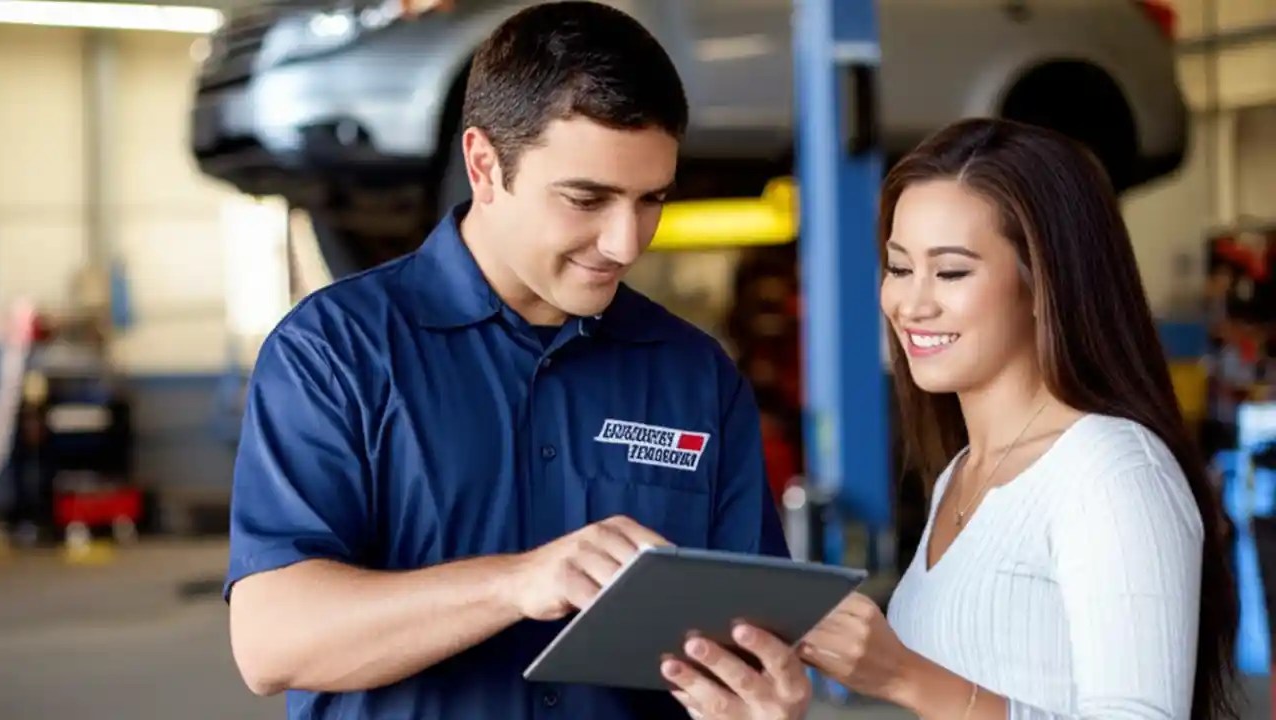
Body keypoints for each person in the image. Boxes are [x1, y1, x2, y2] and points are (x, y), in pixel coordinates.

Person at [223, 3, 805, 719]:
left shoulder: (695, 377)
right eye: (587, 199)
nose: (625, 242)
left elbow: (747, 639)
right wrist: (514, 584)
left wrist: (760, 699)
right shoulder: (336, 354)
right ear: (484, 165)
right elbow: (270, 642)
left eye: (650, 200)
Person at [790, 118, 1237, 719]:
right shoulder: (960, 475)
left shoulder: (1111, 471)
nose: (912, 303)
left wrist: (905, 676)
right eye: (899, 267)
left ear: (1042, 282)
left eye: (950, 271)